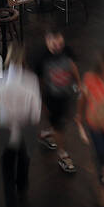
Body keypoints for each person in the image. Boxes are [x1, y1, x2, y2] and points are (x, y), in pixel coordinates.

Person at [0, 47, 43, 207]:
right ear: (24, 60)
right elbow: (35, 113)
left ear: (8, 60)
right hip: (26, 132)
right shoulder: (32, 80)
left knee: (7, 172)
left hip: (6, 131)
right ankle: (23, 191)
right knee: (23, 163)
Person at [33, 29, 80, 174]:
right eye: (54, 43)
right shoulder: (40, 58)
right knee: (60, 126)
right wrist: (42, 101)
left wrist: (78, 83)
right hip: (51, 97)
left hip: (66, 94)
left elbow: (72, 65)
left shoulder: (66, 50)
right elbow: (38, 81)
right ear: (47, 40)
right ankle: (63, 154)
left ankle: (46, 134)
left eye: (59, 43)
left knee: (60, 121)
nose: (57, 46)